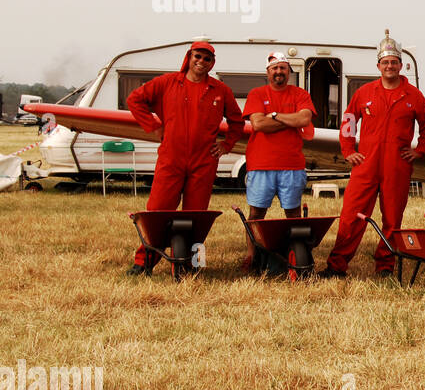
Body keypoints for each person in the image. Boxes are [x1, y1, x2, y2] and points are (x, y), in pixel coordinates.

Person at [126, 40, 244, 273]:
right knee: (157, 212)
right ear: (189, 57)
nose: (201, 62)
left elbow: (237, 121)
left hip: (204, 161)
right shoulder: (167, 82)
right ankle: (144, 263)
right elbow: (134, 100)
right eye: (197, 56)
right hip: (171, 157)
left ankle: (193, 264)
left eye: (207, 59)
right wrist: (153, 126)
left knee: (197, 216)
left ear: (212, 63)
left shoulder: (221, 91)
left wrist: (226, 144)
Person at [321, 30, 425, 278]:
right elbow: (348, 121)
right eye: (385, 62)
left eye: (394, 62)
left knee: (392, 219)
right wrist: (348, 150)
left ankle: (385, 267)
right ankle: (337, 266)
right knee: (351, 216)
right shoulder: (365, 93)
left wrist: (421, 150)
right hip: (366, 165)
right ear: (378, 65)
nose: (390, 66)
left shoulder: (414, 96)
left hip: (397, 166)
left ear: (401, 65)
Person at [241, 52, 317, 269]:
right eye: (274, 68)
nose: (279, 72)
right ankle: (251, 255)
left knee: (292, 212)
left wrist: (273, 115)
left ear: (289, 72)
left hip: (292, 165)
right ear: (267, 72)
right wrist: (289, 119)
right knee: (256, 213)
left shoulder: (300, 93)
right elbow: (258, 125)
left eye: (283, 68)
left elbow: (304, 118)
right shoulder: (257, 93)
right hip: (261, 164)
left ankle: (293, 253)